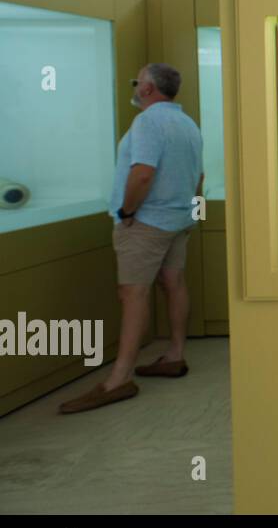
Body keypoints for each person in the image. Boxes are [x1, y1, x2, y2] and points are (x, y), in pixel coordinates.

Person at [60, 63, 203, 414]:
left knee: (132, 293)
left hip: (148, 222)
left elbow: (142, 175)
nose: (135, 86)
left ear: (148, 89)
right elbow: (199, 178)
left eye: (137, 81)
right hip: (178, 219)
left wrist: (126, 212)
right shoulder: (188, 123)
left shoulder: (148, 122)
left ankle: (119, 379)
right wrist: (190, 215)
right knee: (174, 282)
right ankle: (175, 355)